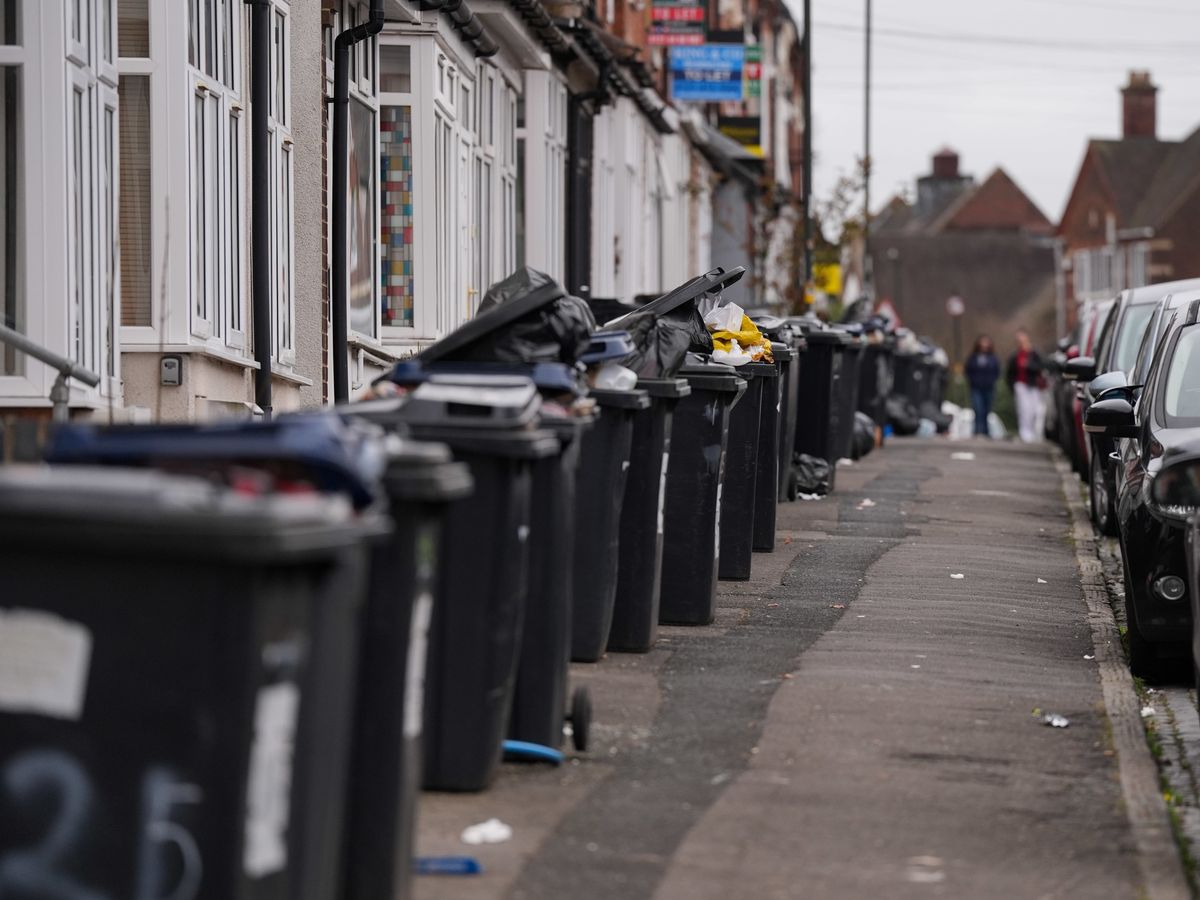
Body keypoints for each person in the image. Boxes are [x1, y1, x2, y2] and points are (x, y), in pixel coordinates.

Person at [1006, 329, 1044, 443]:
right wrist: (1012, 385)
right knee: (1024, 410)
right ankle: (1025, 433)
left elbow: (1040, 367)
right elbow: (1010, 373)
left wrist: (1028, 365)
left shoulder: (1034, 354)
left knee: (1035, 410)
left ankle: (1034, 432)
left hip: (1033, 385)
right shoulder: (1015, 355)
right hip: (1020, 385)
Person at [964, 336, 1001, 437]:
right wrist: (973, 381)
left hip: (989, 388)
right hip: (976, 387)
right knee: (978, 408)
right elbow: (968, 371)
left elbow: (997, 371)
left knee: (986, 410)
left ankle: (985, 431)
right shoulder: (973, 358)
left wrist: (991, 381)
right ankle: (977, 431)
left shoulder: (993, 358)